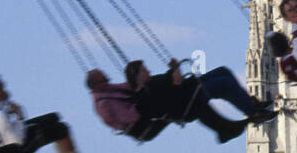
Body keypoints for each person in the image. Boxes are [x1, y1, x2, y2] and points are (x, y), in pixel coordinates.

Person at [114, 60, 276, 143]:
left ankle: (250, 104)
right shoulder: (143, 99)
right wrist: (176, 81)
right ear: (137, 76)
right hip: (187, 102)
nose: (148, 71)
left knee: (223, 71)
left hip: (190, 88)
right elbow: (166, 103)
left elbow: (166, 79)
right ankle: (254, 112)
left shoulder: (150, 83)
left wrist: (173, 71)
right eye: (144, 70)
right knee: (224, 84)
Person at [0, 75, 102, 153]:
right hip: (18, 147)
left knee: (53, 117)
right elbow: (16, 139)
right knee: (60, 129)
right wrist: (19, 115)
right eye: (2, 88)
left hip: (11, 137)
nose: (5, 90)